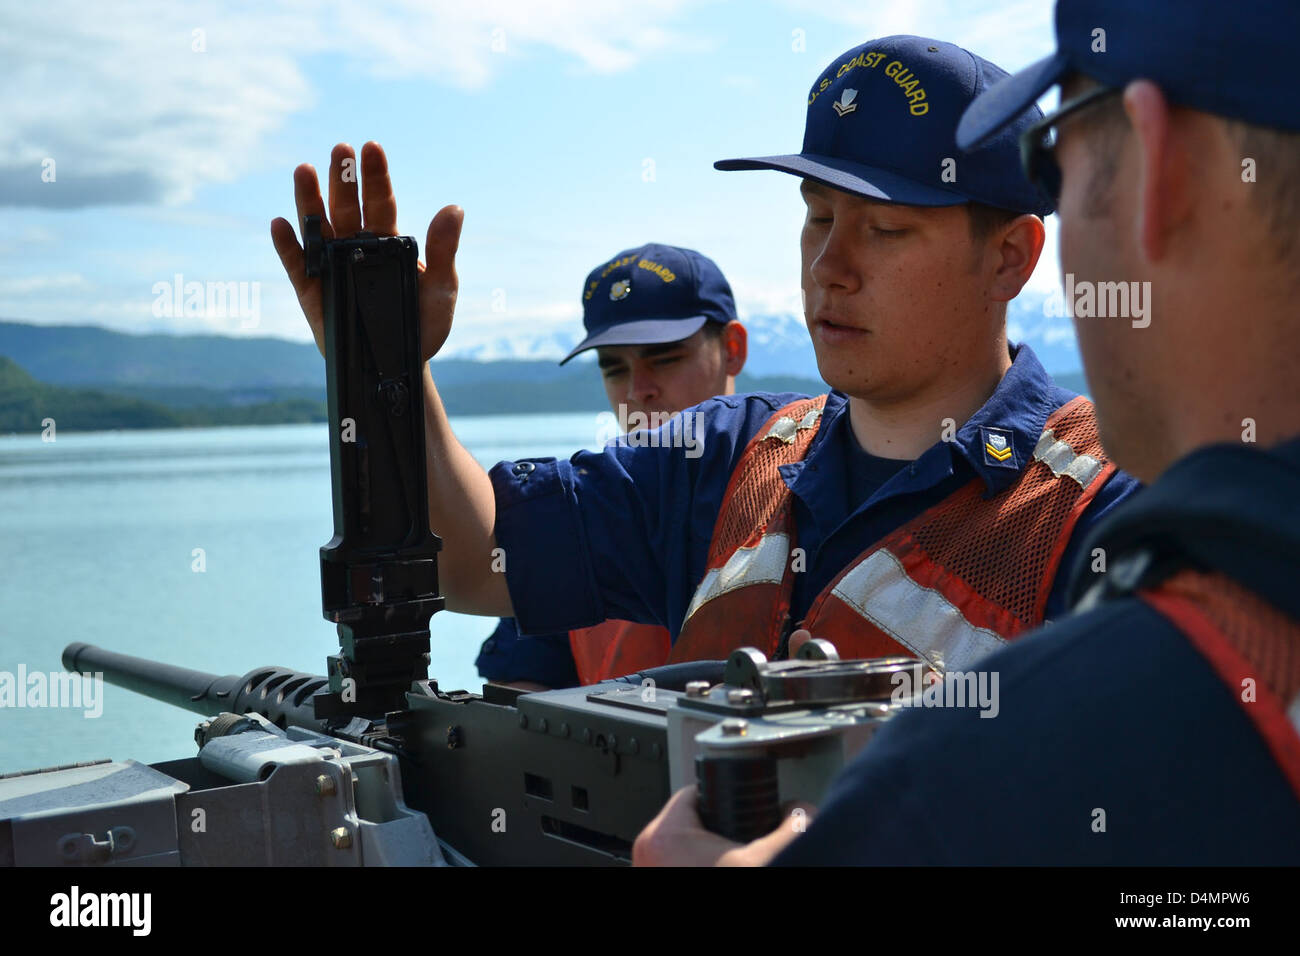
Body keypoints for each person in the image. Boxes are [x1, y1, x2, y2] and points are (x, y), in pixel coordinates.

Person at [270, 35, 1138, 699]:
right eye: (815, 216)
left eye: (886, 229)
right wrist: (384, 364)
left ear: (1011, 259)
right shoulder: (726, 457)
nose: (830, 265)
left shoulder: (1108, 510)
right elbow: (467, 559)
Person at [634, 0, 1300, 866]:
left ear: (1158, 165)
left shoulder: (978, 787)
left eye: (1057, 154)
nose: (831, 267)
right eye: (817, 215)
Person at [476, 243, 749, 689]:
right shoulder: (583, 521)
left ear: (733, 348)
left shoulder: (799, 495)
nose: (639, 390)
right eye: (614, 368)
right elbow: (516, 705)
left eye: (665, 358)